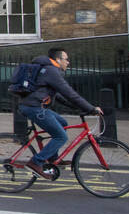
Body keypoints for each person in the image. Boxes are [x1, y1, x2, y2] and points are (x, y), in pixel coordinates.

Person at [18, 47, 104, 180]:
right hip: (34, 107)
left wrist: (76, 108)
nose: (68, 62)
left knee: (63, 123)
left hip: (34, 106)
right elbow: (70, 93)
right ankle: (36, 162)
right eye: (66, 59)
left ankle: (52, 158)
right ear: (58, 59)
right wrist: (91, 108)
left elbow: (58, 95)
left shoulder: (47, 69)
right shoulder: (51, 71)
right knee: (61, 137)